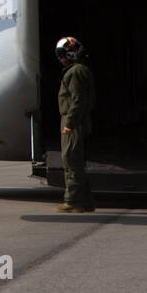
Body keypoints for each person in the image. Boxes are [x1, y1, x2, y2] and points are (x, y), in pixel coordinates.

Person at [55, 36, 96, 213]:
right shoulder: (79, 70)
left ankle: (71, 201)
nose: (61, 59)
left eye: (62, 55)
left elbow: (77, 100)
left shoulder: (75, 72)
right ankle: (85, 202)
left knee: (71, 160)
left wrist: (70, 123)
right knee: (76, 161)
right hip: (76, 120)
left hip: (72, 121)